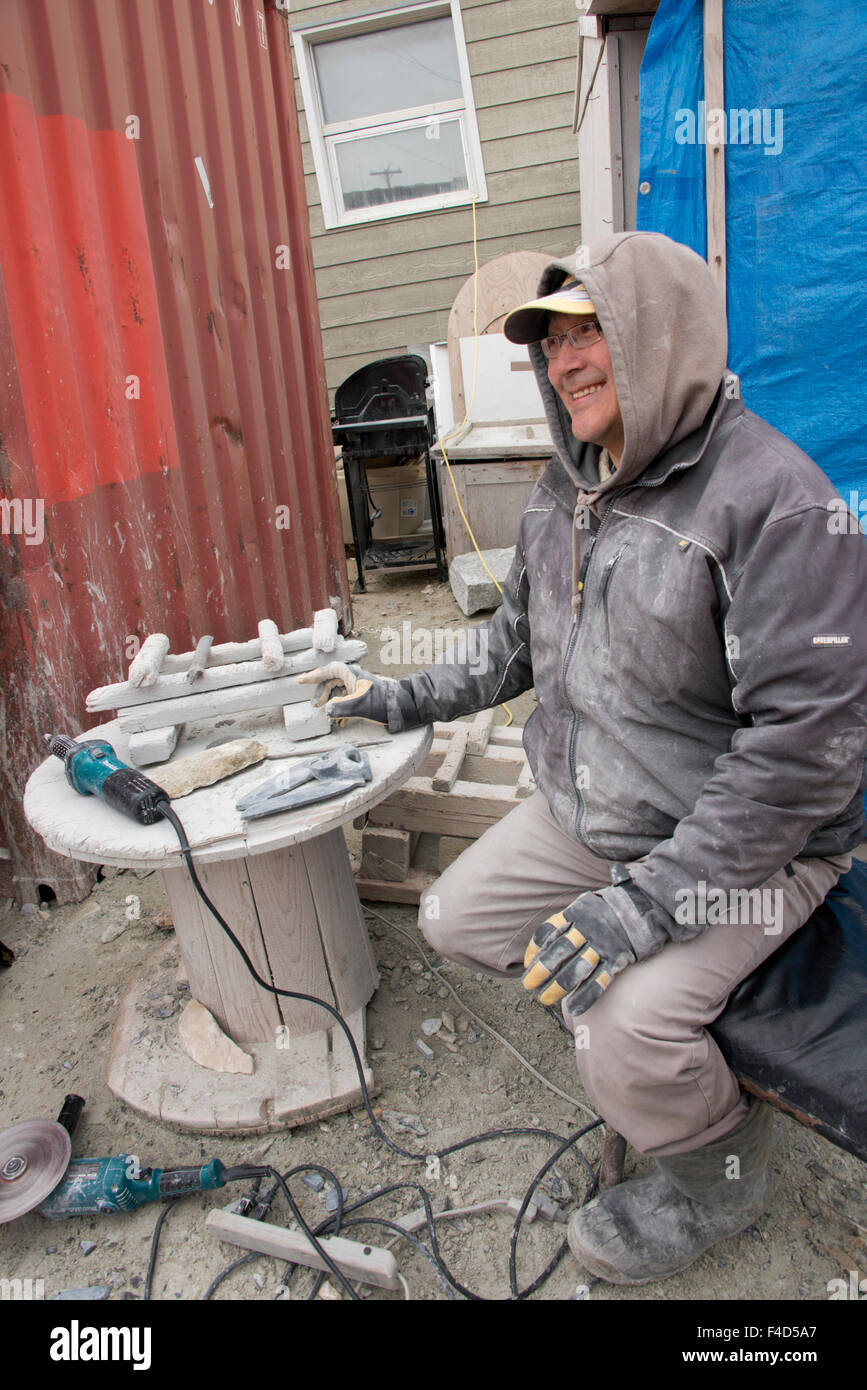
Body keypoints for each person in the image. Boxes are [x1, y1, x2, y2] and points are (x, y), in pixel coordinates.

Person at [308, 231, 867, 1285]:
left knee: (618, 1031)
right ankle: (662, 1047)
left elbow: (804, 760)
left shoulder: (778, 506)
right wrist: (393, 696)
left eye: (590, 330)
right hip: (594, 812)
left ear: (664, 337)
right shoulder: (572, 485)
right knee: (454, 918)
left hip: (752, 849)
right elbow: (509, 645)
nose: (564, 363)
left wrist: (642, 909)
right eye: (550, 342)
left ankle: (726, 1166)